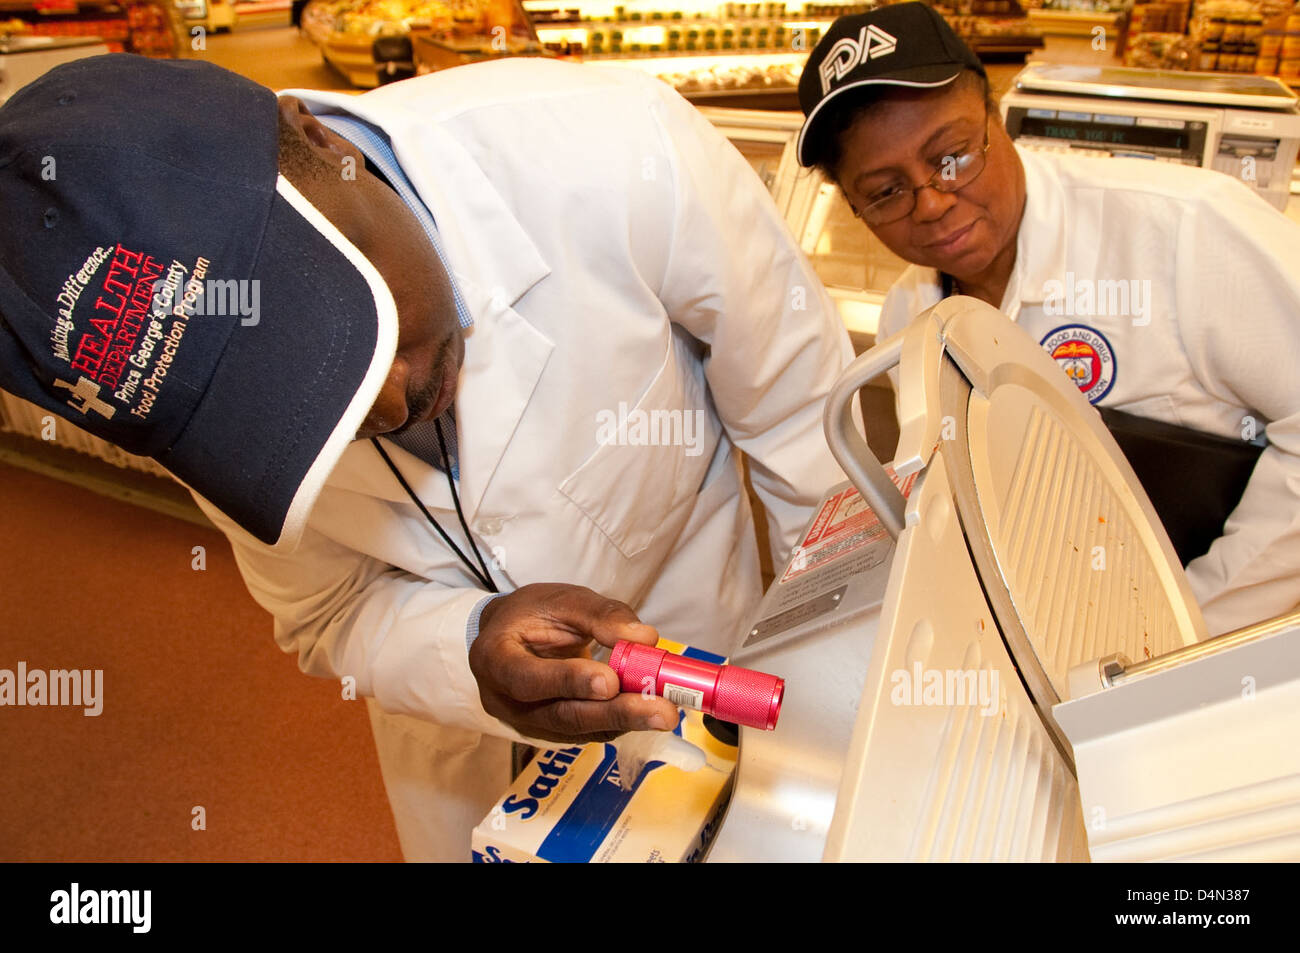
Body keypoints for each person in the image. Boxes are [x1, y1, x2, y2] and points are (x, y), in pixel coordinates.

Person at [0, 54, 853, 860]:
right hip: (450, 746)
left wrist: (824, 686)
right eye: (288, 408)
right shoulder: (174, 391)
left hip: (693, 645)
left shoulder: (615, 152)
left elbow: (804, 429)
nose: (392, 402)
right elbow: (327, 610)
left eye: (349, 324)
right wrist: (467, 644)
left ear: (326, 147)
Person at [795, 3, 1300, 637]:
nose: (933, 202)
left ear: (995, 116)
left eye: (950, 156)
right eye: (887, 190)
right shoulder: (911, 315)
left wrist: (1192, 624)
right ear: (853, 205)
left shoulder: (1182, 230)